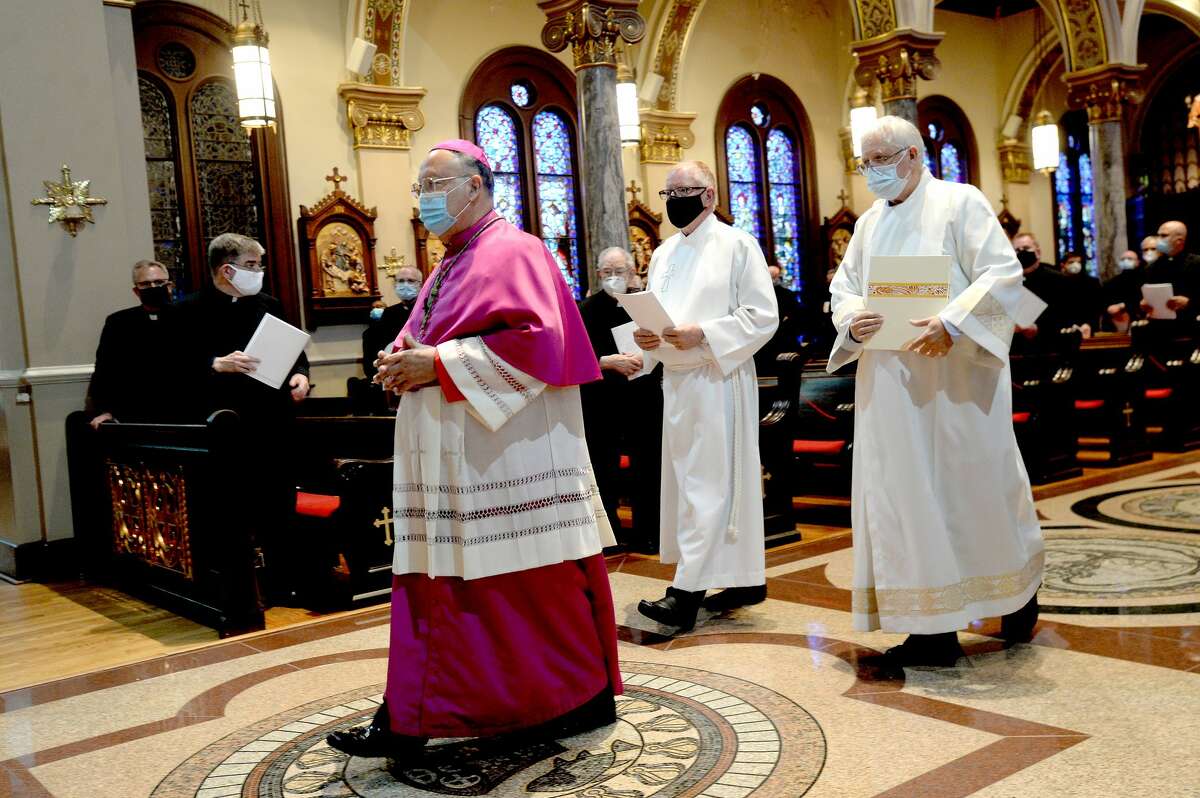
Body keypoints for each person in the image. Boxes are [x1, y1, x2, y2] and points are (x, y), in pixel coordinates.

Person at [326, 140, 621, 760]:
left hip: (509, 454)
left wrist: (435, 365)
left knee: (520, 583)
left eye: (438, 185)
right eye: (421, 188)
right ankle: (415, 712)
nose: (427, 199)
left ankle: (566, 698)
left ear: (479, 184)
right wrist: (398, 361)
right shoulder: (448, 263)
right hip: (457, 452)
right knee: (448, 583)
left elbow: (539, 342)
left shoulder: (515, 249)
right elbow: (424, 335)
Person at [829, 116, 1042, 668]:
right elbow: (844, 286)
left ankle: (1016, 594)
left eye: (881, 159)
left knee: (974, 493)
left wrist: (950, 322)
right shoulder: (870, 224)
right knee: (903, 500)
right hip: (891, 384)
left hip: (955, 382)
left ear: (914, 155)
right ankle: (930, 627)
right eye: (865, 162)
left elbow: (1002, 275)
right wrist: (853, 320)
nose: (872, 172)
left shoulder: (959, 202)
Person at [632, 160, 778, 633]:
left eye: (685, 191)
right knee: (686, 485)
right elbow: (657, 314)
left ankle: (686, 593)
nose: (676, 200)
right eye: (669, 193)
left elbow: (761, 315)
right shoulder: (663, 253)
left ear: (710, 195)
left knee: (711, 485)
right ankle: (740, 580)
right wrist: (648, 340)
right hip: (675, 383)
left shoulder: (738, 245)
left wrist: (706, 334)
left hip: (719, 376)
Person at [177, 233, 310, 601]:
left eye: (260, 264)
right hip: (226, 426)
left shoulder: (269, 304)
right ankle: (236, 588)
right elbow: (167, 370)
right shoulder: (187, 311)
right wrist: (214, 364)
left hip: (272, 422)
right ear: (226, 269)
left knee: (278, 502)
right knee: (232, 508)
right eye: (252, 265)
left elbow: (293, 351)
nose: (260, 272)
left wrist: (301, 374)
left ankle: (284, 582)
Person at [578, 247, 663, 553]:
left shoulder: (644, 305)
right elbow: (573, 355)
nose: (613, 278)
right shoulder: (584, 309)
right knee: (603, 466)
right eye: (607, 272)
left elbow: (664, 340)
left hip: (643, 395)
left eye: (619, 272)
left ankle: (648, 532)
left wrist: (646, 354)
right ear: (599, 274)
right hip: (601, 400)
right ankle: (609, 534)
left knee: (649, 464)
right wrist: (607, 361)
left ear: (632, 273)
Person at [86, 260, 188, 428]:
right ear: (136, 291)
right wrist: (105, 410)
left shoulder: (189, 318)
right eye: (145, 284)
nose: (153, 287)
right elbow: (105, 369)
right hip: (134, 413)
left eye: (159, 282)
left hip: (182, 412)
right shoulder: (118, 322)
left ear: (169, 286)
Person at [1009, 232, 1068, 349]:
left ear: (1038, 252)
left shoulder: (1057, 280)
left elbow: (1065, 315)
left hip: (1049, 345)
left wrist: (1038, 328)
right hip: (1016, 347)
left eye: (1026, 248)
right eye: (1017, 250)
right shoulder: (1007, 281)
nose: (1022, 252)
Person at [362, 266, 424, 375]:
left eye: (410, 281)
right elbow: (377, 345)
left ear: (420, 284)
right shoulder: (389, 313)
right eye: (401, 281)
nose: (405, 285)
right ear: (395, 285)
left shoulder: (428, 310)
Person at [1139, 221, 1200, 322]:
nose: (1158, 239)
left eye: (1163, 236)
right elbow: (1143, 298)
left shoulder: (1197, 263)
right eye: (1158, 235)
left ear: (1179, 240)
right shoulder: (1151, 267)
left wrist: (1189, 303)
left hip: (1190, 325)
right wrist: (1144, 304)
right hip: (1159, 326)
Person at [755, 263, 803, 374]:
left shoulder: (787, 295)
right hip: (767, 342)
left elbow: (796, 318)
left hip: (782, 342)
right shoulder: (759, 296)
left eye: (774, 276)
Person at [1057, 252, 1102, 336]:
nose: (1076, 265)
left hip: (1088, 329)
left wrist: (1088, 324)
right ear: (1063, 265)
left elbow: (1097, 307)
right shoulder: (1056, 283)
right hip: (1064, 330)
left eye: (1079, 262)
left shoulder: (1092, 283)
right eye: (1071, 262)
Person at [1102, 246, 1146, 331]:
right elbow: (1104, 302)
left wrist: (1123, 305)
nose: (1126, 261)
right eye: (1123, 259)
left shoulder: (1144, 280)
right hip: (1114, 323)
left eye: (1130, 259)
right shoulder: (1111, 283)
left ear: (1138, 262)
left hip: (1138, 321)